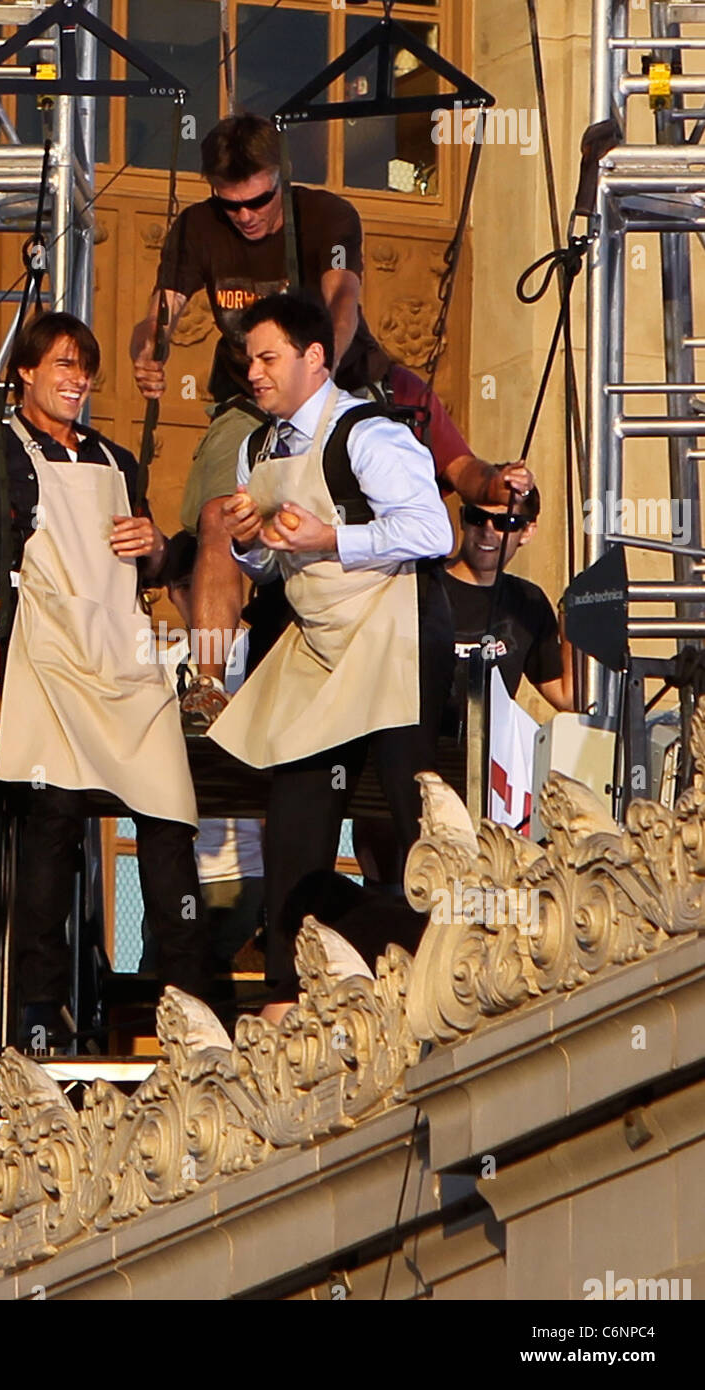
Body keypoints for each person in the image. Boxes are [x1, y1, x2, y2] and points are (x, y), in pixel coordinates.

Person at [130, 113, 535, 726]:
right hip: (250, 405)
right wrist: (148, 347)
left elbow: (343, 299)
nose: (244, 215)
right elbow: (161, 311)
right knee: (220, 512)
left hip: (339, 402)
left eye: (259, 199)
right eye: (228, 203)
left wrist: (322, 376)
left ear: (282, 179)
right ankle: (206, 682)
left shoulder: (326, 220)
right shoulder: (197, 230)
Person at [0, 312, 209, 1046]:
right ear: (25, 371)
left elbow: (162, 567)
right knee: (50, 832)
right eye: (64, 365)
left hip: (129, 658)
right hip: (48, 658)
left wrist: (158, 545)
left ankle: (187, 1002)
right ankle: (40, 1013)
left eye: (86, 369)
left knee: (170, 822)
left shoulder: (117, 460)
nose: (78, 380)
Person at [212, 292, 455, 1017]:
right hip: (318, 644)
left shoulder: (367, 434)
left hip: (394, 633)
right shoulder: (258, 447)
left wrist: (332, 540)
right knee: (296, 816)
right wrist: (249, 545)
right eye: (248, 360)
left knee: (415, 814)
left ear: (314, 359)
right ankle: (288, 990)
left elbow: (432, 529)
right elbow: (267, 567)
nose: (253, 372)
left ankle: (450, 966)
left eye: (268, 357)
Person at [442, 491, 575, 725]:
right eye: (477, 517)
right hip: (414, 755)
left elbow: (568, 699)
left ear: (527, 532)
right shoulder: (421, 584)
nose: (488, 531)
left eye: (506, 522)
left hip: (488, 755)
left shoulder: (528, 601)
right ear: (462, 518)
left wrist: (575, 615)